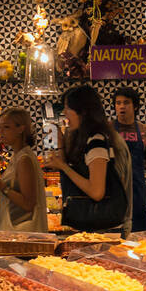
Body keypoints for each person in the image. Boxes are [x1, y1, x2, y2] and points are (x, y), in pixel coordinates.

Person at [45, 85, 132, 234]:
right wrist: (60, 145)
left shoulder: (96, 141)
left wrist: (64, 166)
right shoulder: (85, 138)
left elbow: (96, 192)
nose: (64, 113)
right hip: (94, 226)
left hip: (103, 230)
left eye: (67, 108)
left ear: (82, 112)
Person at [0, 107, 48, 231]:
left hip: (22, 232)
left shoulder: (24, 159)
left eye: (6, 127)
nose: (1, 132)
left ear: (21, 129)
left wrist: (1, 186)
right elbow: (16, 196)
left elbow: (28, 204)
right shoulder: (16, 157)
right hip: (15, 229)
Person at [112, 87, 146, 233]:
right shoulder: (108, 130)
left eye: (126, 102)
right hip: (113, 190)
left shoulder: (145, 131)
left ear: (135, 106)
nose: (121, 106)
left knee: (138, 235)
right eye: (118, 103)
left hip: (137, 190)